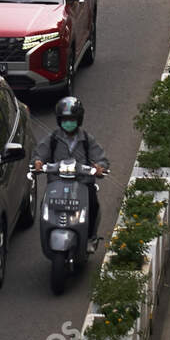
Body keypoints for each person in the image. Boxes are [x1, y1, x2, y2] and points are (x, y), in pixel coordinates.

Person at [32, 97, 110, 241]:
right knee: (45, 206)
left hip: (83, 184)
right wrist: (38, 162)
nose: (68, 123)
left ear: (79, 120)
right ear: (59, 120)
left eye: (72, 119)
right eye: (65, 119)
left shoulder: (87, 139)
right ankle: (47, 234)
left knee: (93, 204)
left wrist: (100, 168)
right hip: (56, 183)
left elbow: (100, 159)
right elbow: (39, 154)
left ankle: (90, 238)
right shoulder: (53, 138)